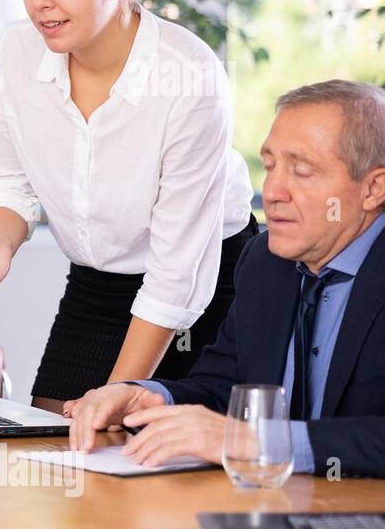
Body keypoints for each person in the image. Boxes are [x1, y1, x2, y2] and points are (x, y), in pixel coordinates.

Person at [0, 0, 256, 407]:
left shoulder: (188, 76)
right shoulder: (16, 53)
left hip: (206, 283)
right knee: (55, 443)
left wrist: (115, 395)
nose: (40, 1)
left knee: (152, 452)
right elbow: (8, 183)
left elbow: (175, 276)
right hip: (97, 281)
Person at [67, 80, 385, 479]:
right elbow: (223, 388)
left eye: (302, 171)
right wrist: (151, 397)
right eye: (269, 166)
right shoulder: (264, 262)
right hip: (269, 510)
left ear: (374, 188)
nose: (272, 191)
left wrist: (261, 443)